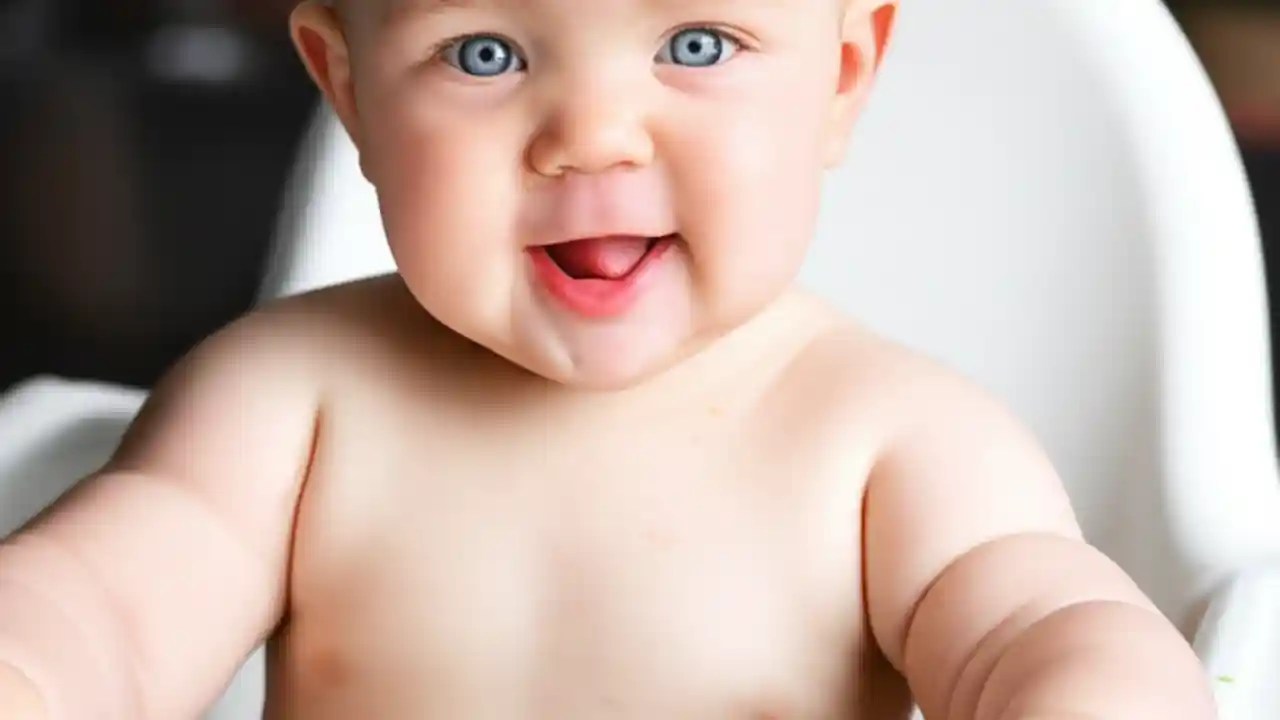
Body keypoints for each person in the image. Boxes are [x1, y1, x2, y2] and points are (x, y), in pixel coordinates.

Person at [0, 0, 1218, 717]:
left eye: (693, 43)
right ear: (352, 88)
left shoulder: (887, 440)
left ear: (842, 78)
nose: (590, 136)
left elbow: (1039, 630)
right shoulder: (288, 405)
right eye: (485, 52)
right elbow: (111, 603)